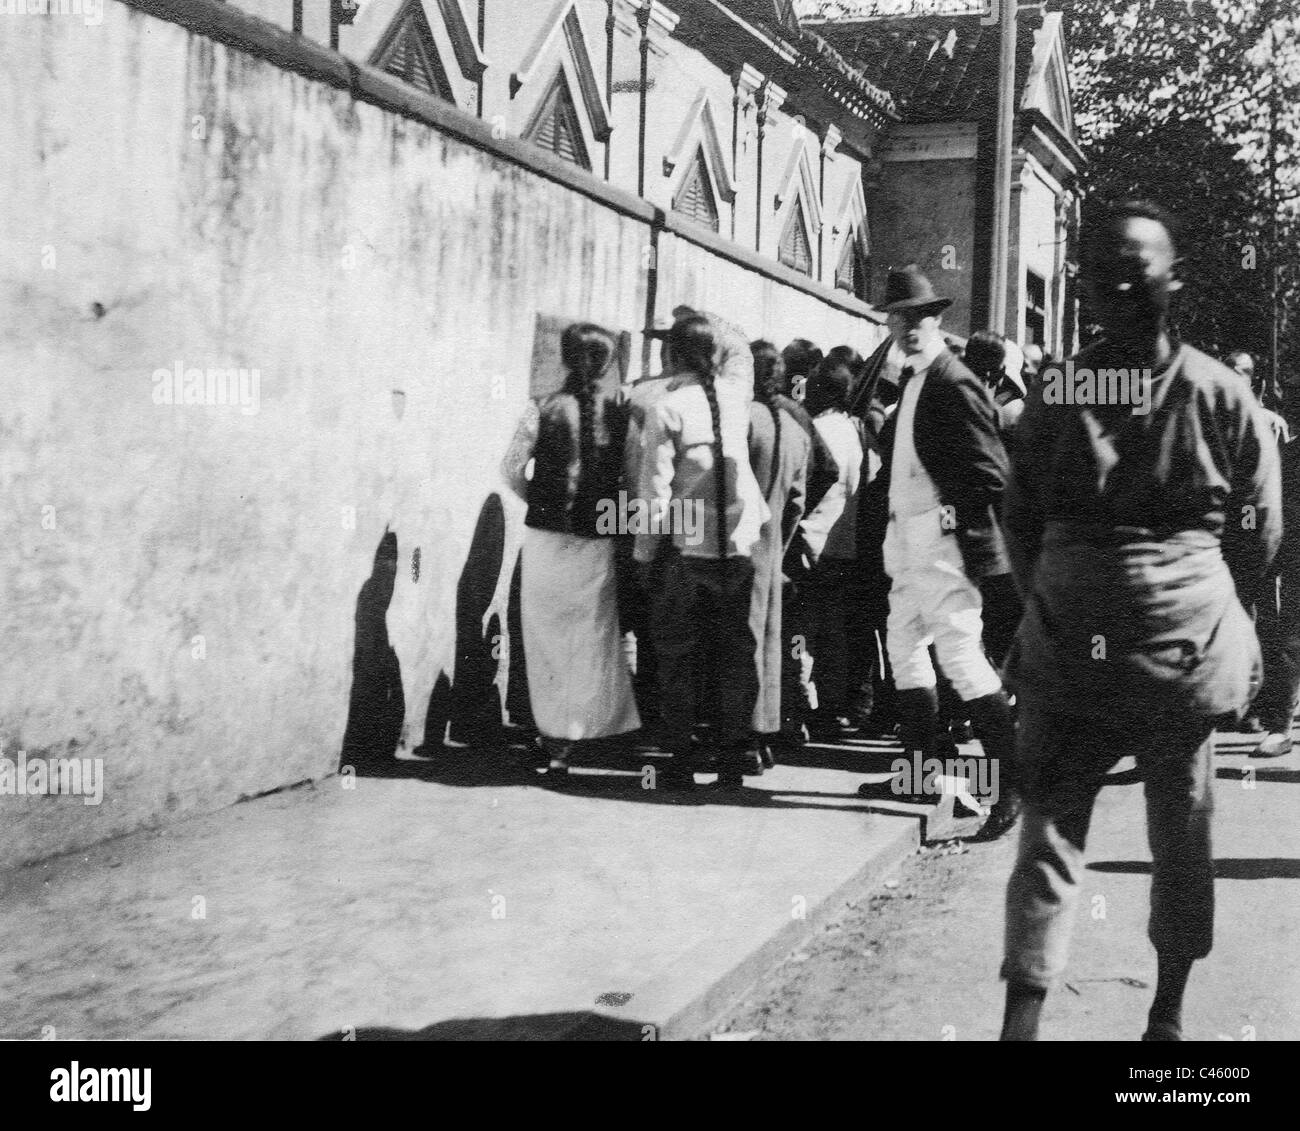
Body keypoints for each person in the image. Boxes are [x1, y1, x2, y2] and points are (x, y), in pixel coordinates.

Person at [997, 200, 1281, 1042]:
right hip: (1180, 654)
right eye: (1111, 273)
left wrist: (1057, 593)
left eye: (1128, 271)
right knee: (1181, 835)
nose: (1118, 285)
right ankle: (1167, 1018)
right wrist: (1199, 603)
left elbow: (1016, 518)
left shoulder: (1058, 390)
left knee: (1049, 837)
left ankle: (1022, 1023)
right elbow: (1260, 534)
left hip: (1067, 649)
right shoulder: (1221, 393)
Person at [854, 265, 1019, 839]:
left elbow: (991, 476)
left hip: (941, 541)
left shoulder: (953, 380)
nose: (910, 326)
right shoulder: (918, 380)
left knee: (961, 656)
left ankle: (1009, 787)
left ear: (938, 320)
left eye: (921, 316)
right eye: (900, 317)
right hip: (906, 538)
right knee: (903, 646)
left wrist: (951, 529)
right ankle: (921, 772)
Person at [637, 314, 769, 790]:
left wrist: (644, 554)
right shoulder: (740, 402)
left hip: (686, 548)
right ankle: (733, 756)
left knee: (679, 657)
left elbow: (653, 492)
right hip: (737, 547)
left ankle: (680, 759)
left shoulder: (666, 407)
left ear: (671, 355)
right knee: (733, 654)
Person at [502, 323, 641, 775]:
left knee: (546, 640)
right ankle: (596, 730)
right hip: (597, 537)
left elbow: (511, 469)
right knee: (594, 637)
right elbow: (637, 480)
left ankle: (554, 736)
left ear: (564, 358)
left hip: (546, 537)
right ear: (607, 364)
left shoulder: (540, 408)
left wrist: (538, 501)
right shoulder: (625, 409)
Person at [1225, 350, 1299, 754]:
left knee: (1278, 625)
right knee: (1274, 624)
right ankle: (1272, 717)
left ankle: (1276, 716)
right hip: (1252, 538)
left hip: (1263, 537)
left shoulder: (1273, 426)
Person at [747, 341, 812, 769]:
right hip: (772, 549)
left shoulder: (744, 419)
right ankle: (765, 734)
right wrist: (781, 546)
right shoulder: (796, 431)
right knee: (770, 645)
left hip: (738, 548)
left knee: (740, 647)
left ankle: (745, 741)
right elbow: (796, 502)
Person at [796, 358, 866, 740]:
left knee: (803, 631)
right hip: (845, 544)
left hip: (811, 540)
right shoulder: (856, 431)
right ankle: (832, 708)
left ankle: (802, 708)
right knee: (834, 632)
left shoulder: (814, 429)